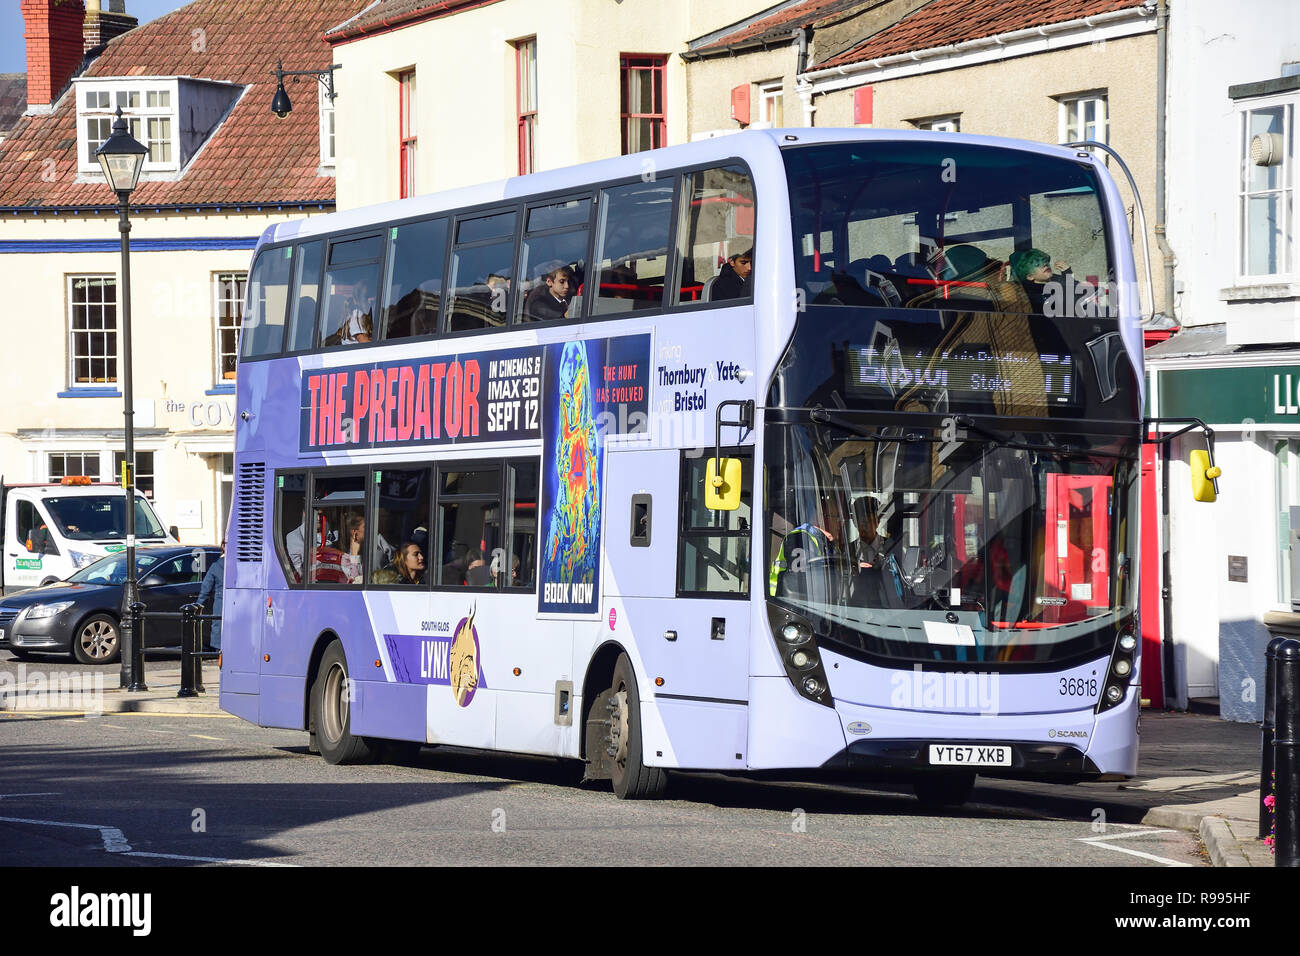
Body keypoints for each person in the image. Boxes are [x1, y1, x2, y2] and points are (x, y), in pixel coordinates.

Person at [1009, 248, 1069, 313]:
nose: (1044, 264)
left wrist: (1068, 274)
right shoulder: (1034, 295)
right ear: (1030, 276)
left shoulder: (1060, 282)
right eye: (1037, 265)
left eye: (1044, 261)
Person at [197, 539, 225, 652]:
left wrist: (198, 605)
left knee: (219, 627)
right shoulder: (240, 564)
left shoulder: (216, 566)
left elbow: (205, 589)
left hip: (221, 602)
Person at [339, 277, 374, 344]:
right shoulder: (356, 316)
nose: (370, 301)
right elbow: (364, 341)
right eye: (366, 298)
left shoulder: (366, 315)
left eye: (372, 297)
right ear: (356, 300)